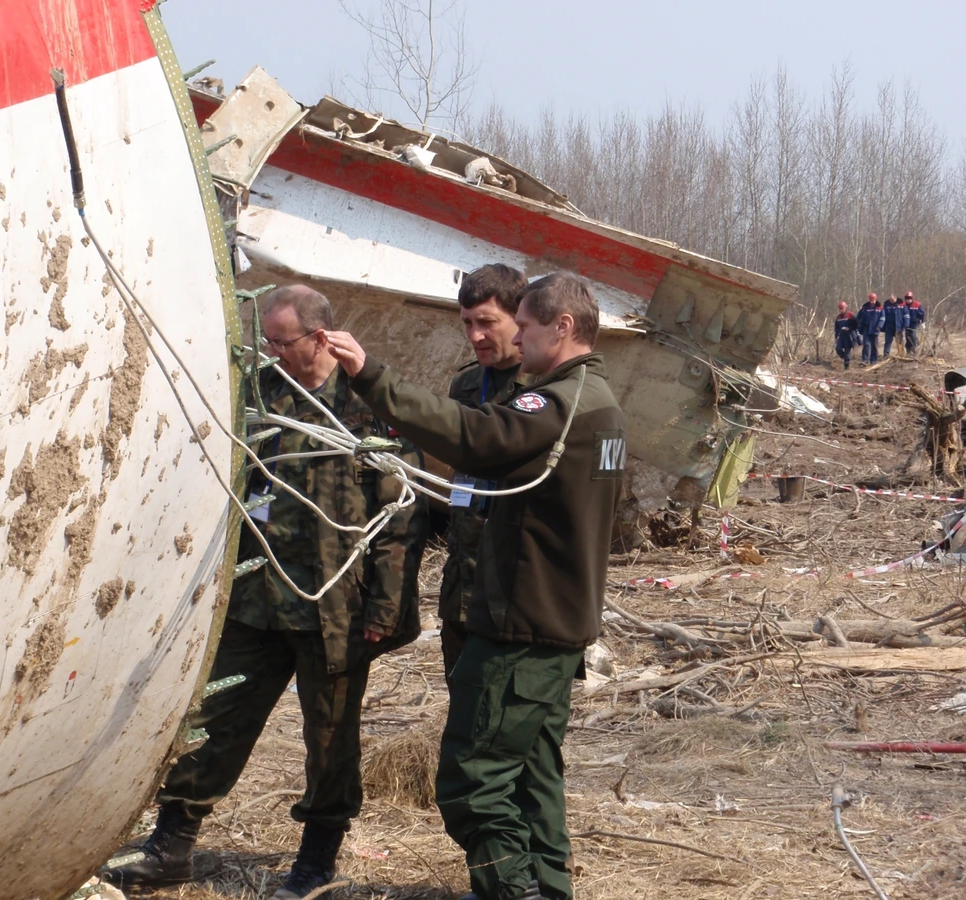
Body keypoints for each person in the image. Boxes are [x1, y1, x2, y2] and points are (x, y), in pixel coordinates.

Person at [103, 286, 429, 898]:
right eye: (268, 341)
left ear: (320, 338)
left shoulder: (367, 405)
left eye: (283, 342)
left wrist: (385, 607)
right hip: (258, 602)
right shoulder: (261, 397)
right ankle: (171, 846)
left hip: (333, 610)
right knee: (212, 721)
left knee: (330, 741)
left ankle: (315, 860)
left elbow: (400, 519)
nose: (272, 352)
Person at [326, 272, 625, 900]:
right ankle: (546, 886)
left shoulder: (555, 404)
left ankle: (511, 891)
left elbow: (470, 436)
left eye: (529, 326)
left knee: (472, 779)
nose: (519, 336)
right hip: (557, 626)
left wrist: (370, 373)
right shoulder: (601, 401)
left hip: (521, 626)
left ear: (561, 327)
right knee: (533, 771)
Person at [439, 263, 528, 682]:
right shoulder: (467, 386)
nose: (475, 336)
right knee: (460, 695)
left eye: (487, 323)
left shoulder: (544, 388)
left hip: (514, 589)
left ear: (521, 318)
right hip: (463, 579)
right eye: (467, 323)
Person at [833, 301, 858, 370]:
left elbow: (856, 324)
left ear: (845, 308)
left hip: (849, 336)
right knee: (838, 349)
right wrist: (836, 336)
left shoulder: (851, 315)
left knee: (847, 351)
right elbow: (836, 328)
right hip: (841, 336)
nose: (841, 310)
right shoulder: (838, 317)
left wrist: (849, 328)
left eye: (842, 309)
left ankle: (846, 366)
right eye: (840, 309)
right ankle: (845, 358)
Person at [882, 293, 908, 358]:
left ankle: (901, 354)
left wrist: (906, 324)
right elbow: (882, 315)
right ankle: (886, 355)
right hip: (889, 326)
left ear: (896, 298)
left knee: (899, 341)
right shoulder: (886, 304)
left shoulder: (902, 304)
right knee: (888, 341)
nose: (891, 301)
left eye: (892, 300)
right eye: (890, 300)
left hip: (898, 326)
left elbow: (906, 315)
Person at [858, 293, 881, 365]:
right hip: (866, 328)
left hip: (875, 328)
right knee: (866, 344)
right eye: (870, 300)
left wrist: (879, 325)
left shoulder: (880, 308)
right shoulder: (865, 307)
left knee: (874, 345)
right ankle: (865, 360)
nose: (871, 302)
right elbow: (859, 316)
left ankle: (874, 361)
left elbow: (883, 318)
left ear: (875, 299)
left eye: (873, 300)